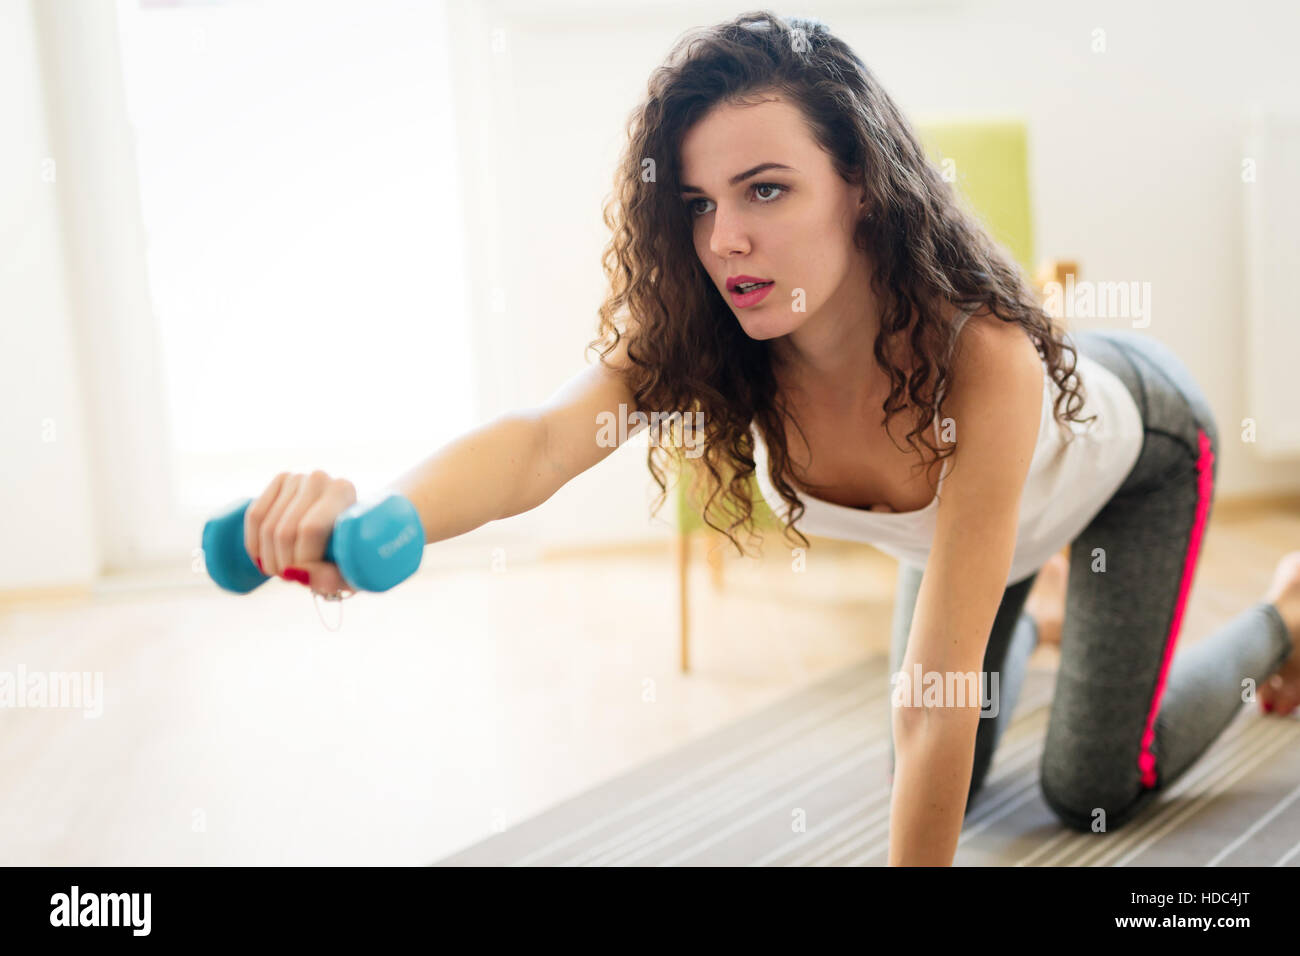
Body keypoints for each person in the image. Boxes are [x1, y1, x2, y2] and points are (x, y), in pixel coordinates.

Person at [240, 11, 1300, 866]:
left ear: (862, 189)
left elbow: (933, 698)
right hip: (983, 529)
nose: (724, 238)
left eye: (766, 190)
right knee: (939, 775)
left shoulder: (985, 361)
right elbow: (539, 445)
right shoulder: (714, 336)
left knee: (1089, 791)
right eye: (699, 203)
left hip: (1135, 451)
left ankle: (1281, 617)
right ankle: (1031, 595)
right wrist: (377, 517)